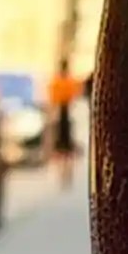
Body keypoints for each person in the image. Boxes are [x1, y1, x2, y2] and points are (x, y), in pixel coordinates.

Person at [47, 59, 80, 189]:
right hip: (64, 108)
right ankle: (63, 147)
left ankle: (63, 147)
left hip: (63, 109)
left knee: (63, 131)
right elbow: (73, 93)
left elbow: (54, 94)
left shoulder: (59, 80)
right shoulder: (66, 80)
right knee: (64, 131)